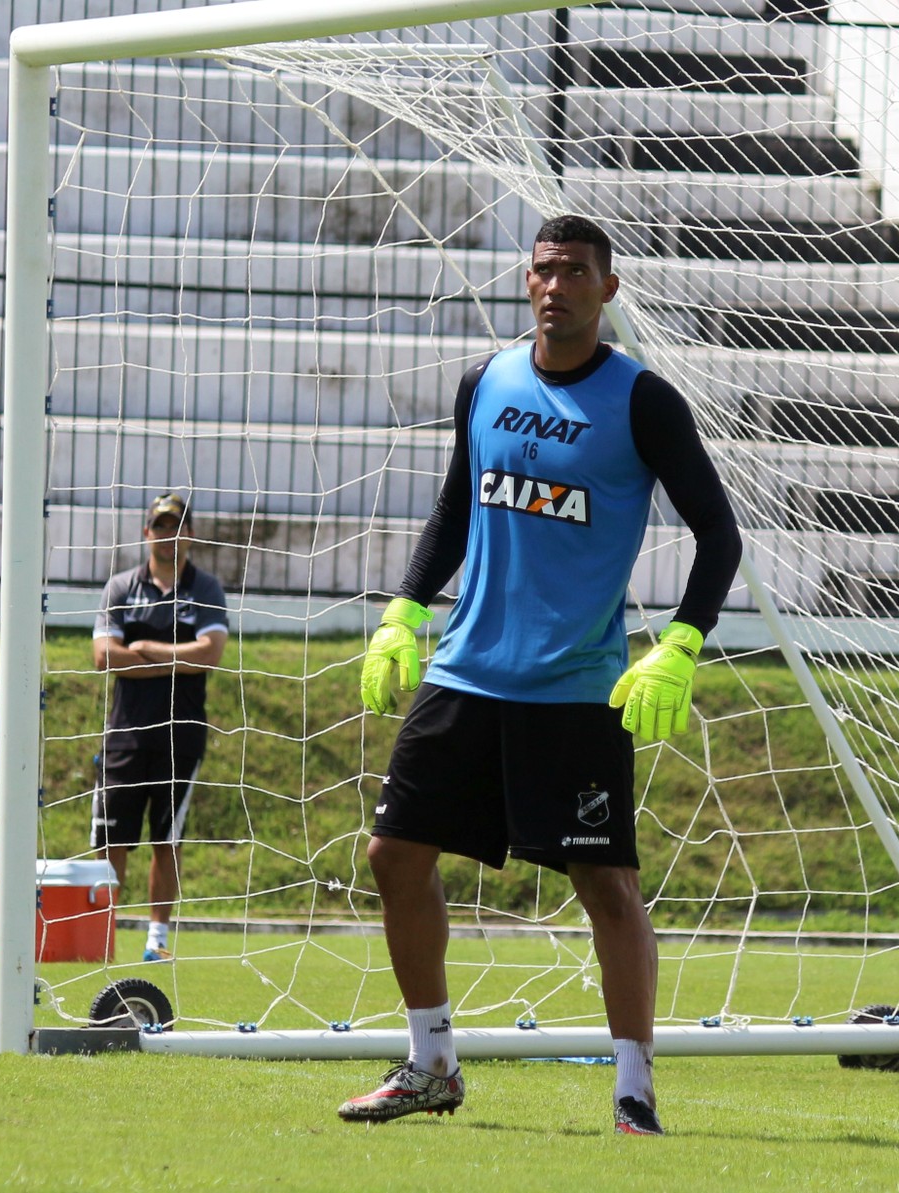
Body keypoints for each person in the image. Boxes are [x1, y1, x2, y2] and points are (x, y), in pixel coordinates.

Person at [337, 215, 743, 1135]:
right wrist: (406, 606)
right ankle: (431, 1063)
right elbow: (456, 506)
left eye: (576, 272)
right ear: (527, 282)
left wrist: (682, 640)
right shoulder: (484, 380)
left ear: (609, 288)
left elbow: (718, 533)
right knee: (393, 854)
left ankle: (634, 1092)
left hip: (574, 689)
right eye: (544, 269)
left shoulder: (643, 402)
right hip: (467, 671)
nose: (556, 285)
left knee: (605, 887)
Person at [91, 492, 229, 962]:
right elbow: (104, 657)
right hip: (124, 735)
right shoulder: (120, 587)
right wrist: (174, 659)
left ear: (189, 533)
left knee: (166, 839)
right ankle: (100, 936)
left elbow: (210, 654)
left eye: (178, 526)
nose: (169, 534)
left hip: (182, 734)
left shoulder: (205, 588)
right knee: (113, 840)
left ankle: (156, 941)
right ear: (146, 532)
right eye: (161, 526)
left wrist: (147, 648)